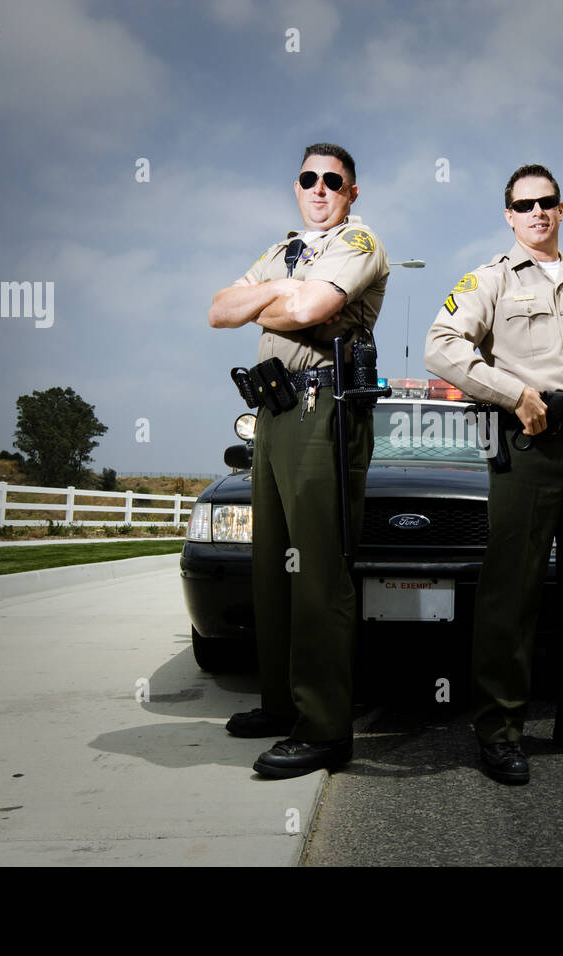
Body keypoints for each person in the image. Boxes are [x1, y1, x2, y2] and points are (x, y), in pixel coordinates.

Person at [424, 163, 563, 785]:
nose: (537, 213)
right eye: (525, 205)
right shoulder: (488, 279)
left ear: (561, 208)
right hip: (528, 444)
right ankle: (498, 730)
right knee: (511, 593)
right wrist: (512, 393)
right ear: (509, 215)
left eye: (547, 202)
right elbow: (442, 344)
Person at [207, 143, 389, 778]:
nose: (319, 189)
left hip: (323, 410)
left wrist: (267, 297)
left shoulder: (359, 243)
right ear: (296, 185)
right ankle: (282, 705)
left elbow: (313, 309)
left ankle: (324, 728)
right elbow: (216, 311)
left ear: (351, 192)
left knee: (317, 571)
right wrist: (283, 285)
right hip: (273, 411)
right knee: (272, 567)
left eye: (332, 181)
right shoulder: (284, 251)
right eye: (309, 178)